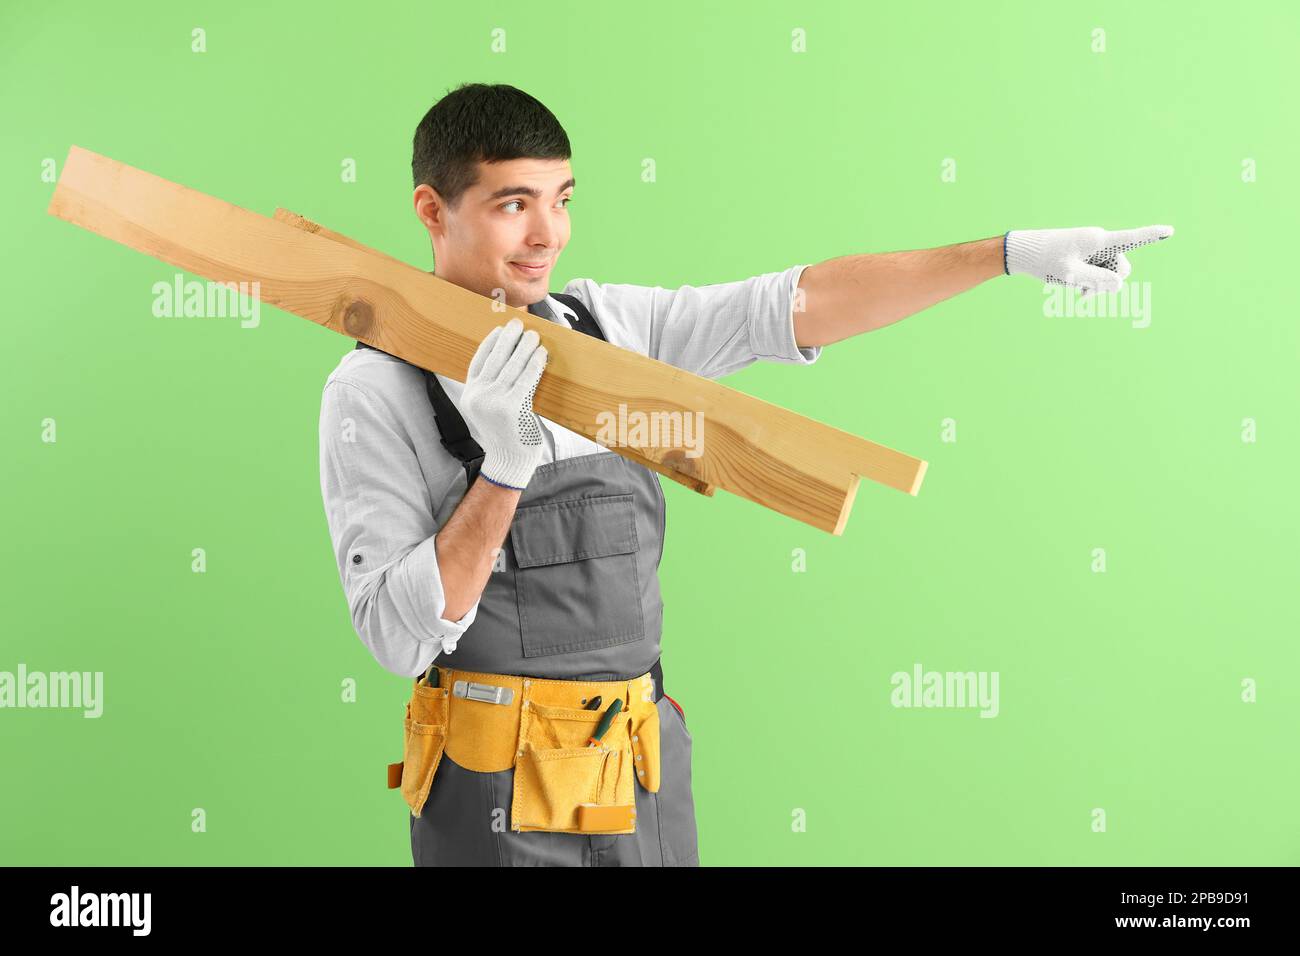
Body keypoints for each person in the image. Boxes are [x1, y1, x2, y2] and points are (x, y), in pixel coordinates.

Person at [318, 82, 1172, 867]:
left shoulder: (613, 331)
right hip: (493, 787)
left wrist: (1008, 254)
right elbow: (395, 638)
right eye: (514, 205)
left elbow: (792, 305)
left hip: (638, 778)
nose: (549, 236)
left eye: (562, 201)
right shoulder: (377, 391)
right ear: (433, 210)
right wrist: (502, 470)